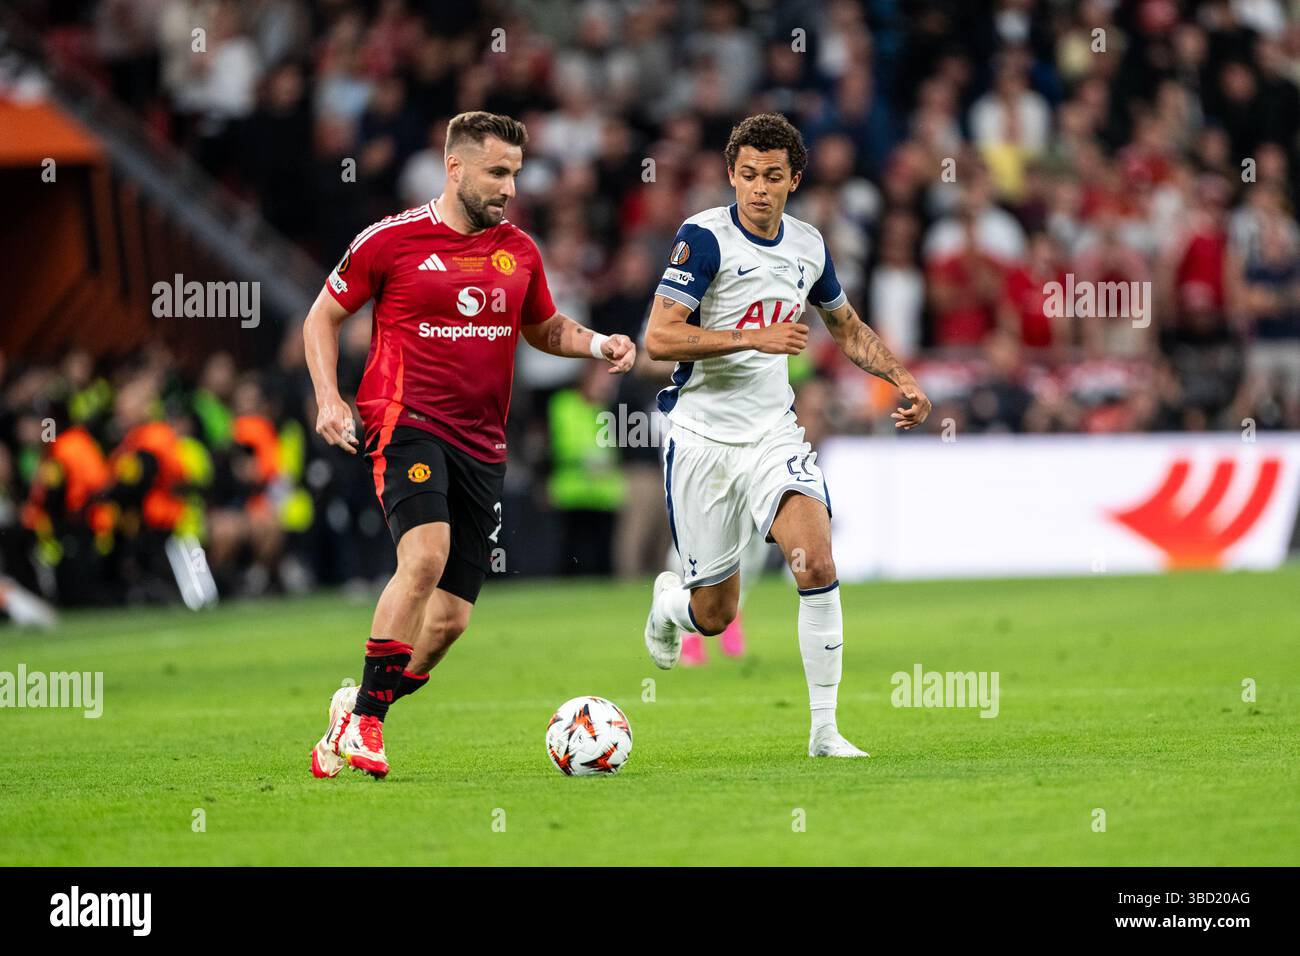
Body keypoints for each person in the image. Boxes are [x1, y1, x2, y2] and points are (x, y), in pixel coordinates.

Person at [303, 111, 635, 779]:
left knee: (449, 623)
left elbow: (542, 327)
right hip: (406, 421)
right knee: (425, 556)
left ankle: (358, 707)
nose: (510, 187)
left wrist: (598, 343)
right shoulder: (390, 241)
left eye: (514, 173)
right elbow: (323, 314)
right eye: (497, 172)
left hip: (483, 445)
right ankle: (368, 724)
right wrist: (330, 398)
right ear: (454, 169)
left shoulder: (520, 251)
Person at [641, 114, 931, 757]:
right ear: (731, 177)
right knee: (716, 616)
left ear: (795, 179)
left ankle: (824, 732)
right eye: (748, 176)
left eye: (773, 177)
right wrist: (753, 336)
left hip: (775, 434)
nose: (760, 189)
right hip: (703, 440)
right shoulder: (704, 239)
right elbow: (658, 338)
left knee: (817, 561)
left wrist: (903, 379)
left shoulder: (807, 244)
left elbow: (847, 326)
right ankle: (669, 606)